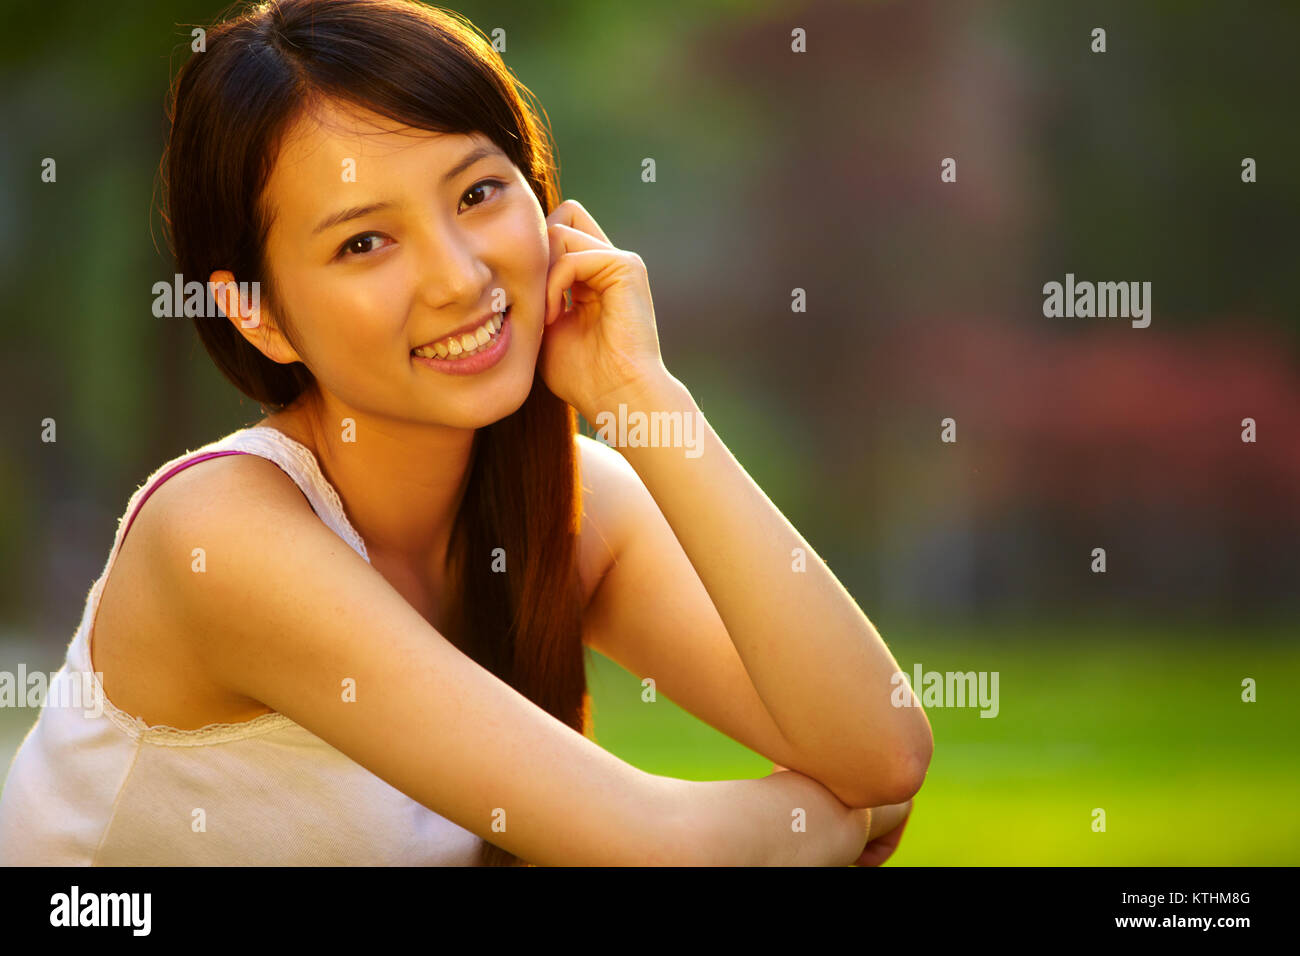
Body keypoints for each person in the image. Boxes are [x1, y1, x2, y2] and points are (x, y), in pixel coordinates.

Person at [0, 0, 929, 866]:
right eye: (364, 243)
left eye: (479, 193)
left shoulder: (573, 501)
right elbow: (662, 845)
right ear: (259, 315)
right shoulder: (216, 535)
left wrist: (643, 394)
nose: (457, 277)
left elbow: (881, 750)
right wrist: (834, 821)